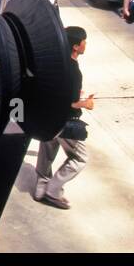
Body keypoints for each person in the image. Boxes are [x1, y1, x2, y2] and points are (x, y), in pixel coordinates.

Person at [33, 26, 93, 210]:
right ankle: (53, 190)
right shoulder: (75, 72)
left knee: (48, 150)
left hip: (48, 117)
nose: (86, 44)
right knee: (80, 158)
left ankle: (41, 187)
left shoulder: (56, 63)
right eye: (84, 41)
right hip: (65, 121)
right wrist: (86, 104)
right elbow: (71, 103)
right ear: (76, 46)